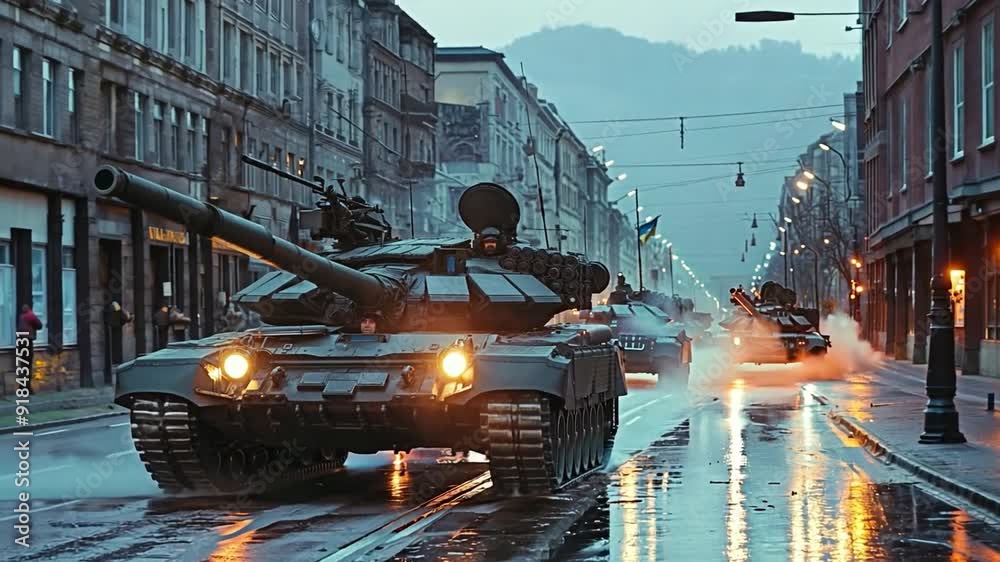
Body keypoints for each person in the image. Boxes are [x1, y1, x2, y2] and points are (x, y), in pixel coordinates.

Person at [17, 304, 43, 393]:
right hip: (27, 341)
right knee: (28, 364)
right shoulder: (30, 315)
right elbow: (39, 325)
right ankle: (27, 388)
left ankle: (21, 386)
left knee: (23, 364)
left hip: (20, 341)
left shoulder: (21, 317)